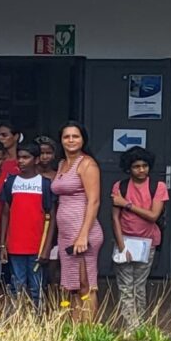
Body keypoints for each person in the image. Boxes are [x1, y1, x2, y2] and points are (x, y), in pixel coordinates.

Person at [46, 123, 103, 320]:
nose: (71, 140)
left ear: (83, 139)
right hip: (66, 233)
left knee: (86, 284)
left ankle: (89, 331)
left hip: (83, 230)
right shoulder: (62, 163)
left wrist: (83, 235)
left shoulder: (87, 164)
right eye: (66, 137)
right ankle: (76, 328)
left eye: (75, 136)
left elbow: (94, 201)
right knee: (73, 286)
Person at [105, 155, 163, 329]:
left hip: (147, 242)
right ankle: (131, 326)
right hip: (125, 241)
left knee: (139, 286)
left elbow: (153, 215)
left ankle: (140, 325)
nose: (141, 170)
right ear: (128, 168)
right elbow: (115, 218)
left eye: (145, 165)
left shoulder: (157, 186)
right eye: (136, 166)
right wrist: (122, 246)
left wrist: (127, 204)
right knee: (125, 286)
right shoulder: (120, 186)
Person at [0, 143, 53, 310]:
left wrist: (47, 247)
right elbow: (5, 213)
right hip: (15, 245)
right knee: (16, 286)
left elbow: (51, 217)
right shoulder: (11, 182)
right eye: (19, 157)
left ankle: (38, 319)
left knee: (36, 287)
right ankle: (17, 320)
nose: (21, 161)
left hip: (37, 245)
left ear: (36, 160)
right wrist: (3, 244)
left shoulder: (44, 184)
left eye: (26, 157)